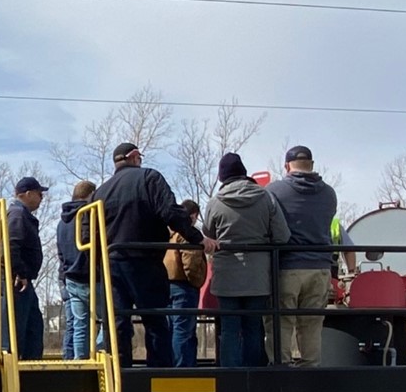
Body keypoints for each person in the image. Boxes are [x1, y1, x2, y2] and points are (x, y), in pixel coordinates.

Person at [91, 142, 217, 367]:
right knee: (156, 318)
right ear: (135, 156)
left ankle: (120, 371)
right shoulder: (149, 178)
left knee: (117, 320)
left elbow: (87, 230)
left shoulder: (100, 192)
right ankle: (159, 371)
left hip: (110, 264)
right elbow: (171, 212)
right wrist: (198, 239)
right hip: (146, 261)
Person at [204, 153, 291, 368]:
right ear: (244, 172)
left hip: (226, 275)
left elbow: (208, 236)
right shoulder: (266, 197)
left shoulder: (215, 203)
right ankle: (254, 377)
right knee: (254, 327)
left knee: (230, 328)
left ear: (222, 177)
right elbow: (282, 236)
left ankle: (230, 377)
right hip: (258, 275)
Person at [265, 145, 337, 367]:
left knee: (280, 321)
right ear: (312, 166)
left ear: (287, 166)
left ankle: (281, 367)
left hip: (287, 265)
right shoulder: (329, 193)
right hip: (320, 267)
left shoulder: (273, 191)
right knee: (312, 322)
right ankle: (310, 368)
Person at [3, 177, 46, 359]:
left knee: (32, 326)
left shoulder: (19, 214)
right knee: (20, 326)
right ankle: (18, 364)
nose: (41, 198)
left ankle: (28, 363)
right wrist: (19, 272)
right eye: (39, 193)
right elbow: (11, 245)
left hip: (22, 278)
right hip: (17, 279)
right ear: (28, 194)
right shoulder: (18, 215)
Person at [164, 199, 207, 367]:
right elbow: (191, 262)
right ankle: (182, 370)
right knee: (183, 330)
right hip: (184, 285)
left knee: (171, 328)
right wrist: (197, 282)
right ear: (194, 215)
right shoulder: (187, 233)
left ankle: (170, 367)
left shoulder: (167, 232)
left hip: (166, 285)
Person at [57, 180, 97, 359]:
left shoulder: (62, 222)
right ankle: (101, 351)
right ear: (90, 195)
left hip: (70, 276)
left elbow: (60, 251)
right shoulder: (89, 214)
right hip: (90, 275)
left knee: (80, 324)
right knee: (109, 320)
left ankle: (79, 360)